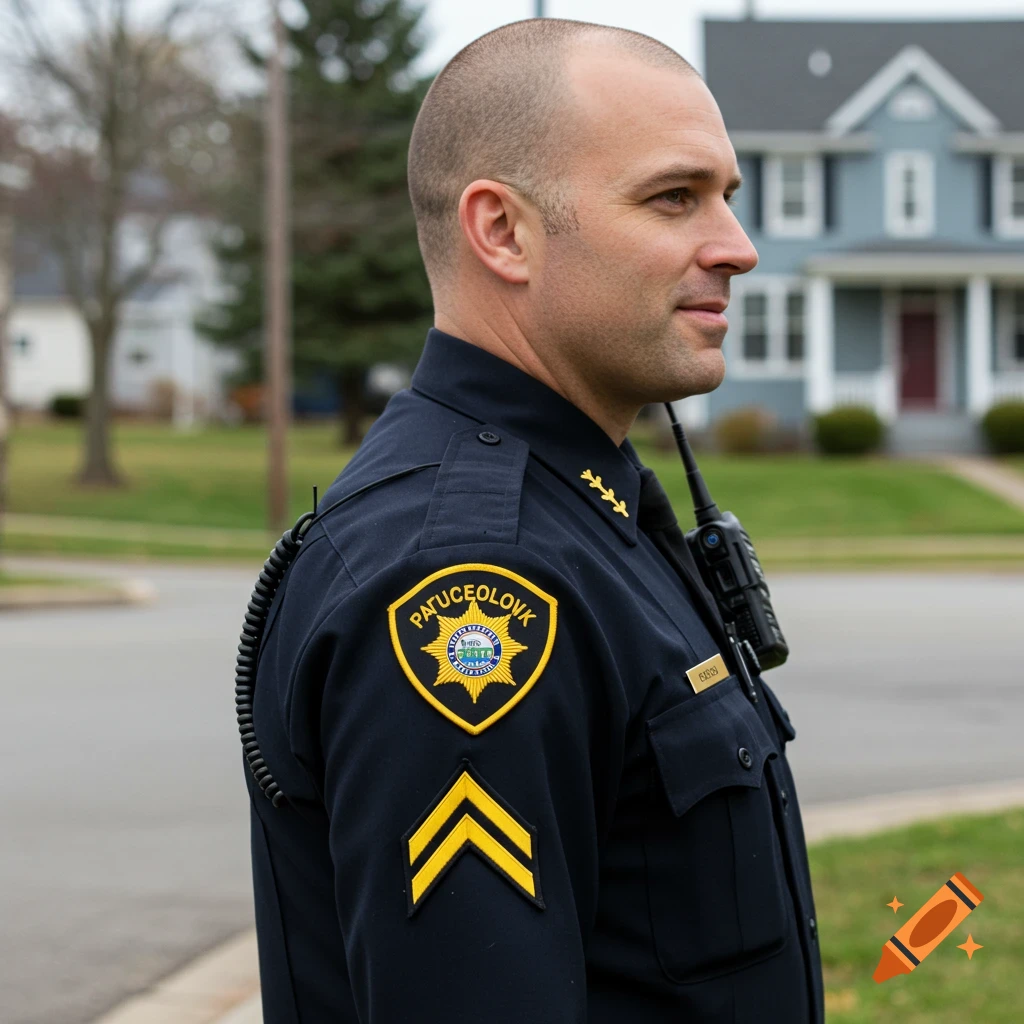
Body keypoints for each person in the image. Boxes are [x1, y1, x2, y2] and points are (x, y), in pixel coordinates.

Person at [245, 18, 823, 1023]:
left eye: (726, 197)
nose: (735, 247)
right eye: (674, 197)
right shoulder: (471, 574)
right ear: (502, 231)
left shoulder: (587, 506)